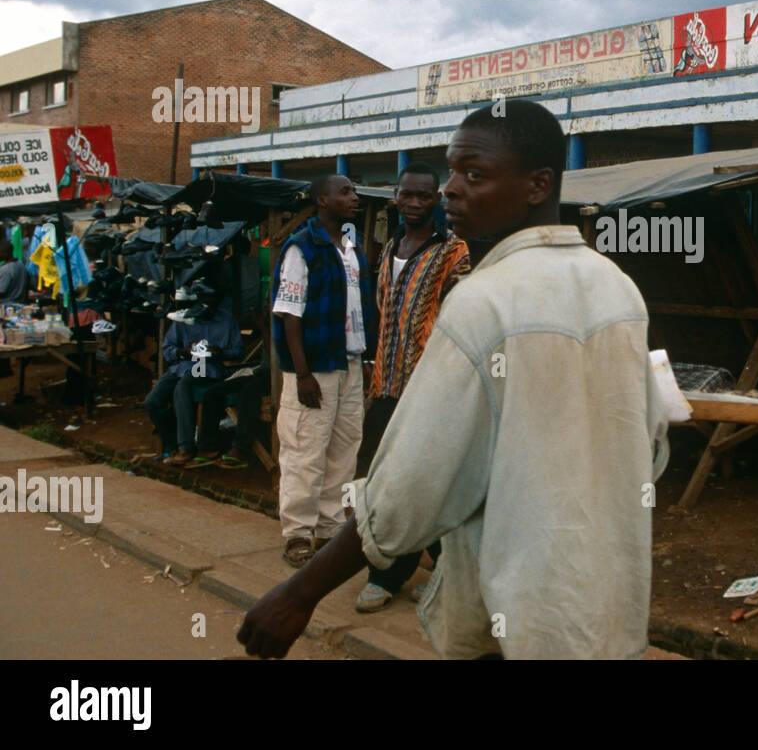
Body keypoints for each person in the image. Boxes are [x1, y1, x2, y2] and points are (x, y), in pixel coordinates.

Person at [239, 99, 670, 660]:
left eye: (474, 174)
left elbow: (406, 490)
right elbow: (651, 444)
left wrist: (300, 592)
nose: (450, 189)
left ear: (538, 185)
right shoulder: (619, 288)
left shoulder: (483, 301)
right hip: (608, 612)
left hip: (514, 624)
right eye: (451, 171)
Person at [354, 161, 470, 613]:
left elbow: (459, 318)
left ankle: (447, 571)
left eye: (425, 196)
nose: (416, 203)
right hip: (386, 388)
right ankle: (386, 573)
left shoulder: (452, 252)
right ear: (395, 197)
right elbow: (384, 317)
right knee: (385, 481)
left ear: (437, 199)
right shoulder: (389, 251)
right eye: (409, 195)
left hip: (431, 390)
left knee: (435, 483)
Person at [270, 175, 377, 568]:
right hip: (315, 369)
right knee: (304, 450)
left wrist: (365, 360)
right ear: (322, 200)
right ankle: (297, 533)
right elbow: (289, 315)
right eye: (345, 192)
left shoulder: (350, 249)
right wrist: (302, 374)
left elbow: (361, 312)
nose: (354, 197)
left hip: (348, 364)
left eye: (353, 190)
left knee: (343, 449)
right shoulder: (303, 248)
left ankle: (330, 529)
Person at [143, 295, 242, 466]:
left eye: (212, 305)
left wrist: (221, 352)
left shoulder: (225, 319)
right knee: (152, 401)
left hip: (206, 367)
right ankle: (172, 443)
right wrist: (183, 352)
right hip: (181, 366)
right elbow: (168, 349)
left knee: (183, 388)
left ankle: (185, 448)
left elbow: (238, 351)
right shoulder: (184, 317)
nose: (209, 310)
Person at [0, 240, 27, 304]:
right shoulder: (20, 264)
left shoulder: (6, 269)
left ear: (5, 253)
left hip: (6, 305)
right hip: (19, 303)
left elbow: (1, 292)